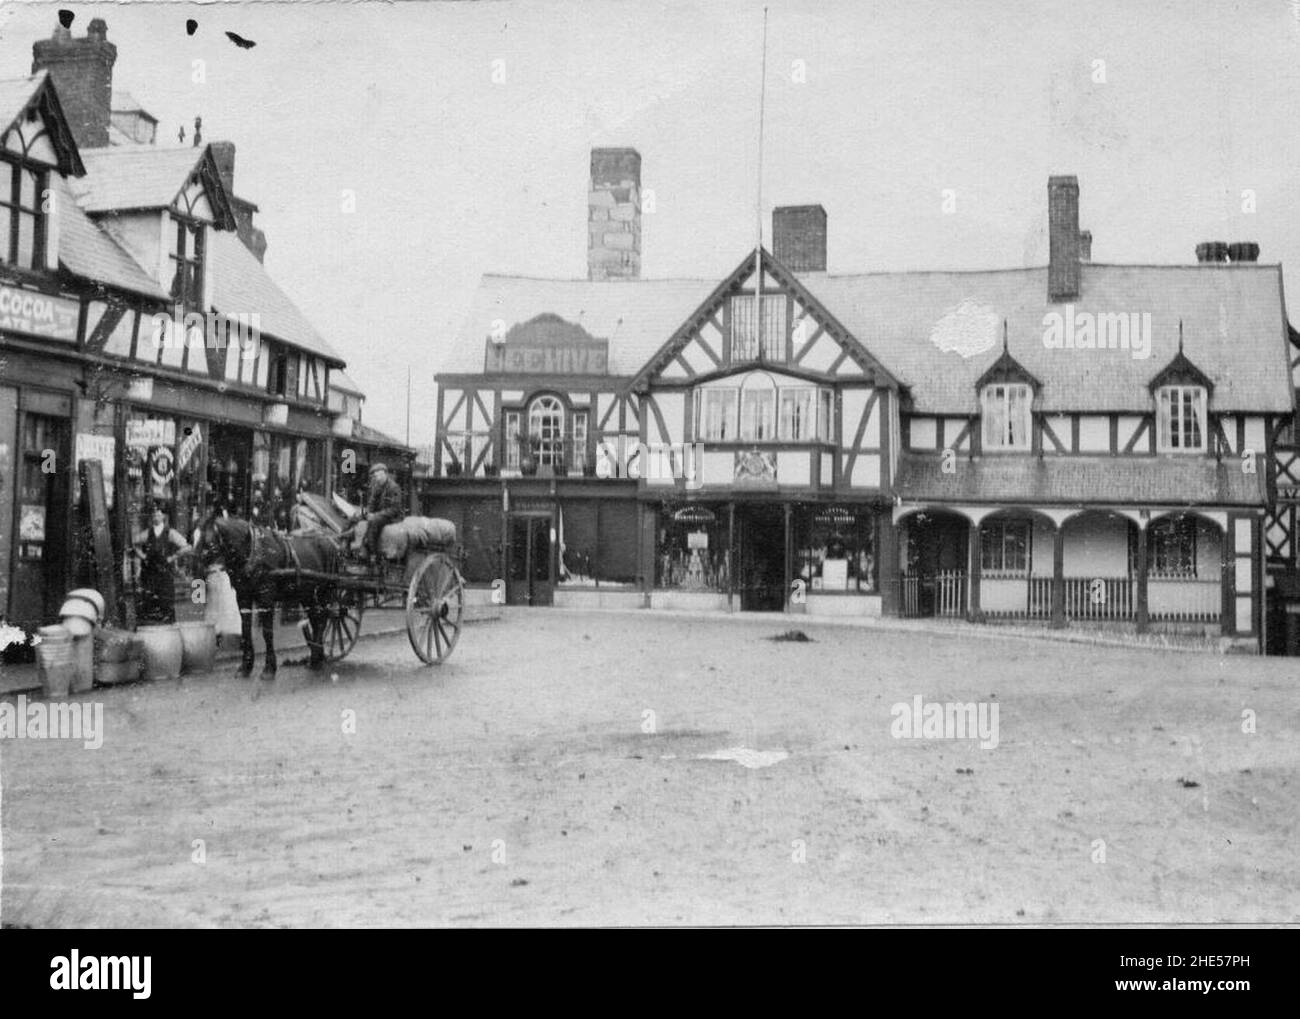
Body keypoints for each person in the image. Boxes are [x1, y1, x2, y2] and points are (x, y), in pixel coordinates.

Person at [132, 505, 191, 624]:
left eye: (159, 514)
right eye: (154, 514)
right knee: (149, 601)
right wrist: (143, 556)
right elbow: (135, 544)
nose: (156, 517)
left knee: (166, 601)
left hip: (165, 572)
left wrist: (173, 557)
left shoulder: (170, 532)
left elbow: (187, 547)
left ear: (163, 516)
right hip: (150, 573)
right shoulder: (147, 532)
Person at [359, 463, 404, 560]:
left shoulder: (394, 487)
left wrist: (375, 515)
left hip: (393, 517)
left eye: (379, 475)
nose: (377, 478)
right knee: (356, 517)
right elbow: (372, 502)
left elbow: (395, 509)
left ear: (385, 474)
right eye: (375, 476)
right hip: (381, 515)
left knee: (374, 522)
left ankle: (372, 552)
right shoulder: (377, 487)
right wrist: (368, 513)